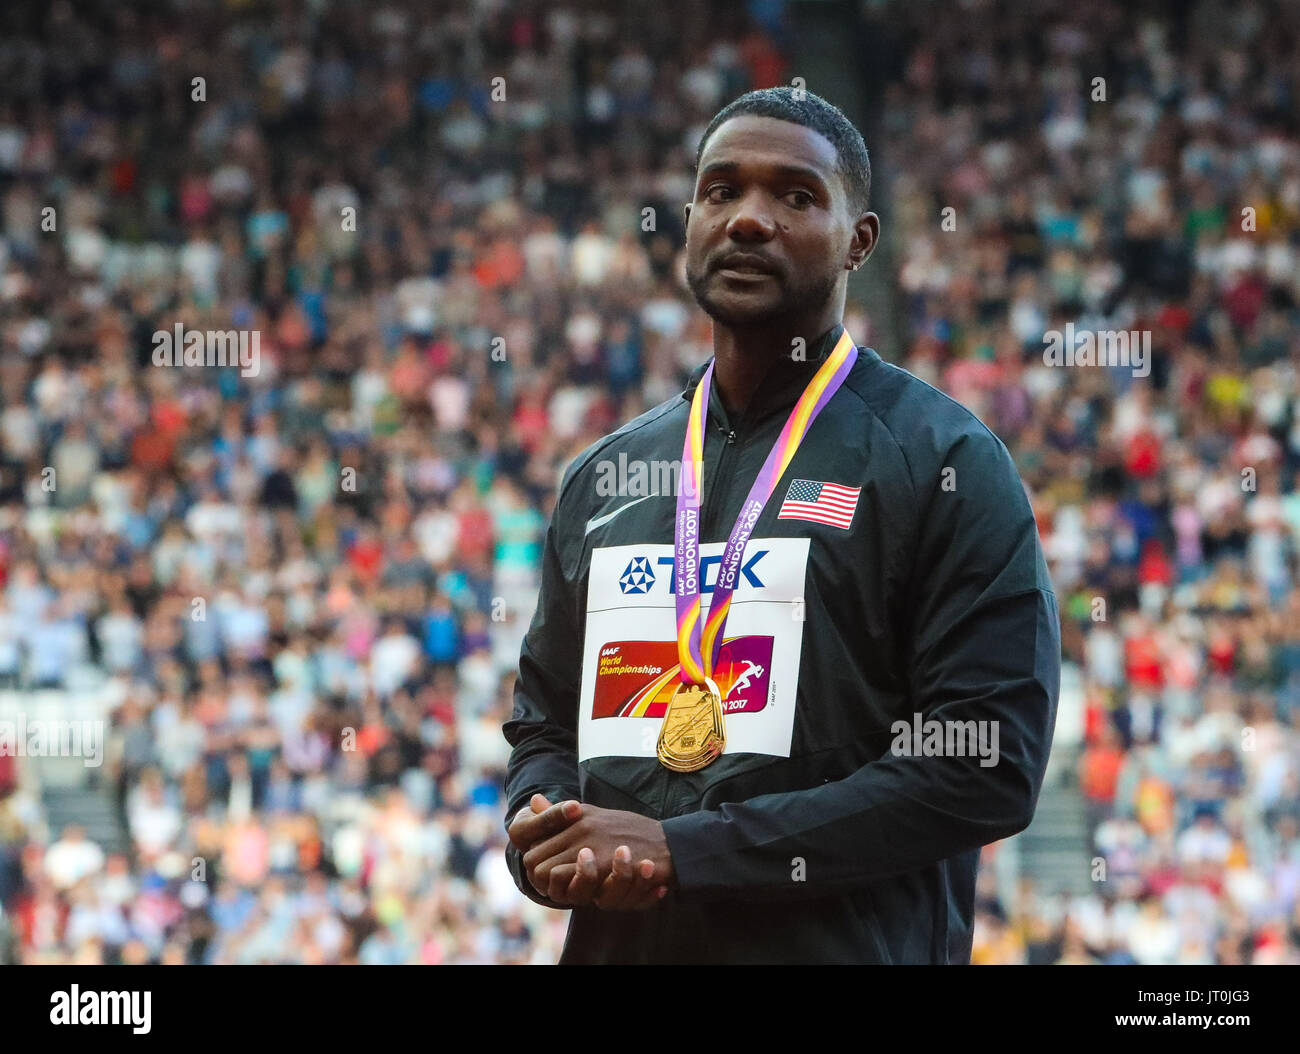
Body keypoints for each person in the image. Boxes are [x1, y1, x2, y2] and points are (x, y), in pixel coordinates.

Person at [502, 87, 1061, 964]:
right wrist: (542, 827)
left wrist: (687, 851)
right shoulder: (606, 477)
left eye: (795, 197)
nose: (749, 220)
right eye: (721, 191)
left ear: (858, 241)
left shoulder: (944, 460)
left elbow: (984, 766)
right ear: (689, 219)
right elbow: (544, 725)